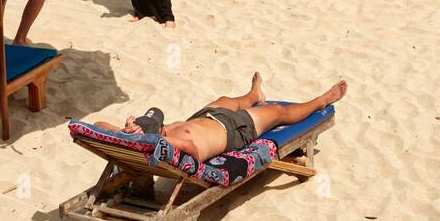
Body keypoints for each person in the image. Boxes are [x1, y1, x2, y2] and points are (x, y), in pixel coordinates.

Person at [117, 73, 346, 161]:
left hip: (204, 118)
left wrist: (127, 128)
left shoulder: (156, 134)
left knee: (226, 99)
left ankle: (253, 94)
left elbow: (98, 126)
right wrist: (157, 139)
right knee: (277, 112)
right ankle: (322, 100)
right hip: (233, 130)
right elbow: (192, 148)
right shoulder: (174, 144)